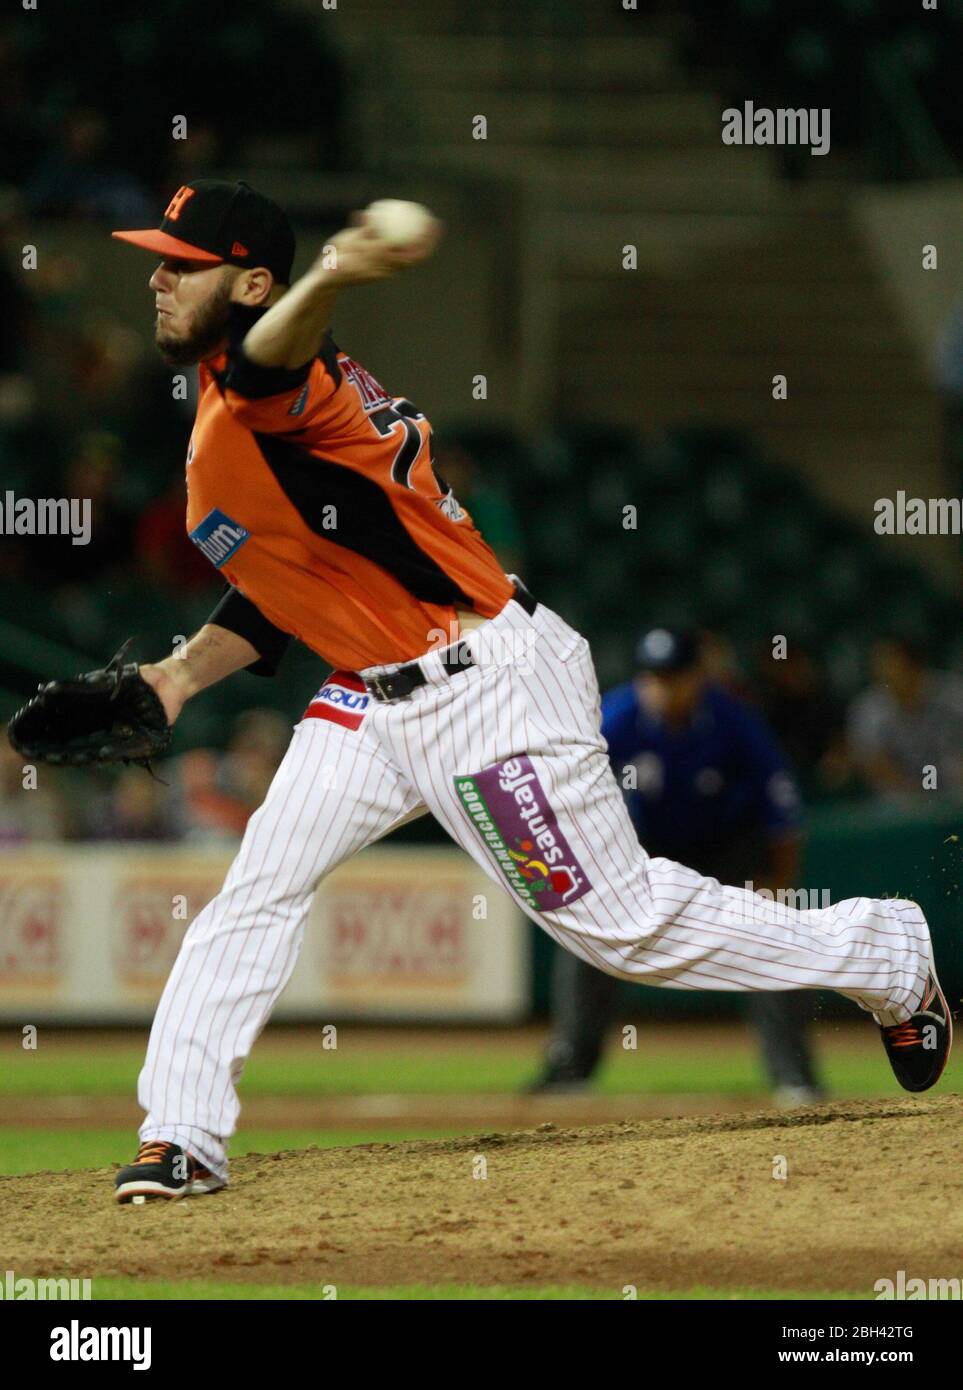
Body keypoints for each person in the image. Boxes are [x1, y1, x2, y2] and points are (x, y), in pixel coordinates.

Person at [106, 179, 949, 1204]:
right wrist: (180, 673)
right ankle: (182, 1133)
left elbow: (267, 355)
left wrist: (332, 273)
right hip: (372, 695)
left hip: (484, 686)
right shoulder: (234, 406)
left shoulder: (279, 383)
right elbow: (293, 579)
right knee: (258, 886)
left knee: (618, 925)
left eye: (180, 263)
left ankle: (884, 948)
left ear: (250, 282)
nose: (154, 274)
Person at [531, 628, 823, 1107]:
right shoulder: (618, 716)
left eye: (673, 676)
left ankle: (796, 1077)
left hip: (727, 847)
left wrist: (777, 884)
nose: (662, 687)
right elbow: (566, 792)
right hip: (647, 849)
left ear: (697, 677)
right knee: (588, 941)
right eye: (653, 676)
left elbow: (782, 809)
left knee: (770, 937)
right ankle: (568, 1070)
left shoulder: (731, 719)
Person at [848, 637, 963, 799]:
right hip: (900, 804)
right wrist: (915, 794)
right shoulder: (869, 708)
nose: (884, 672)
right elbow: (873, 763)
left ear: (914, 665)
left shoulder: (953, 694)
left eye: (891, 664)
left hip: (954, 793)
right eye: (879, 666)